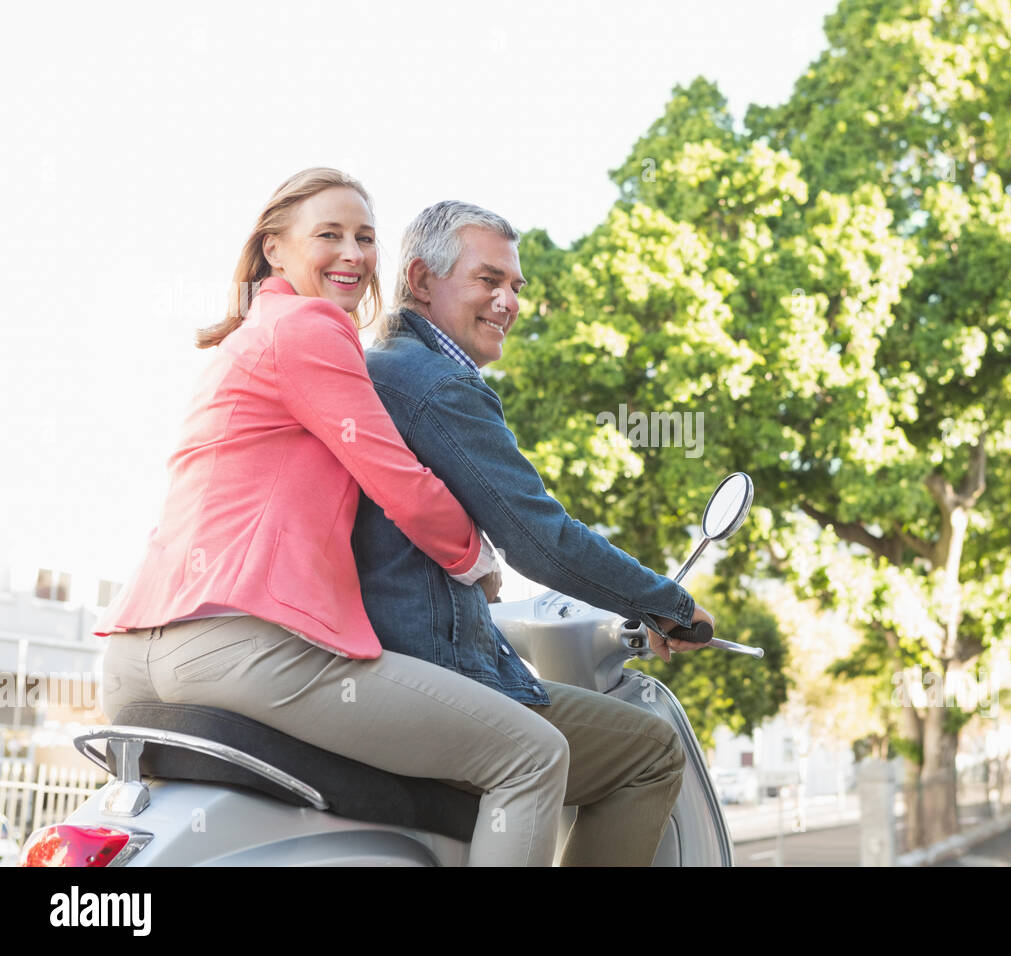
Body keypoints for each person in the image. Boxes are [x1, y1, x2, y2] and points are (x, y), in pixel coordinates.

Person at [96, 169, 570, 866]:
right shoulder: (312, 327)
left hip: (133, 657)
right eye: (330, 235)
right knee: (532, 756)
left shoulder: (242, 344)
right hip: (237, 650)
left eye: (365, 237)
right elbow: (400, 482)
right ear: (275, 250)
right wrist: (478, 562)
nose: (353, 253)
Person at [352, 200, 715, 866]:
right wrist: (668, 605)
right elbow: (541, 539)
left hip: (390, 661)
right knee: (650, 751)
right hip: (436, 670)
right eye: (488, 280)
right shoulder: (437, 384)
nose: (508, 301)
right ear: (422, 281)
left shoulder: (383, 368)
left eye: (515, 287)